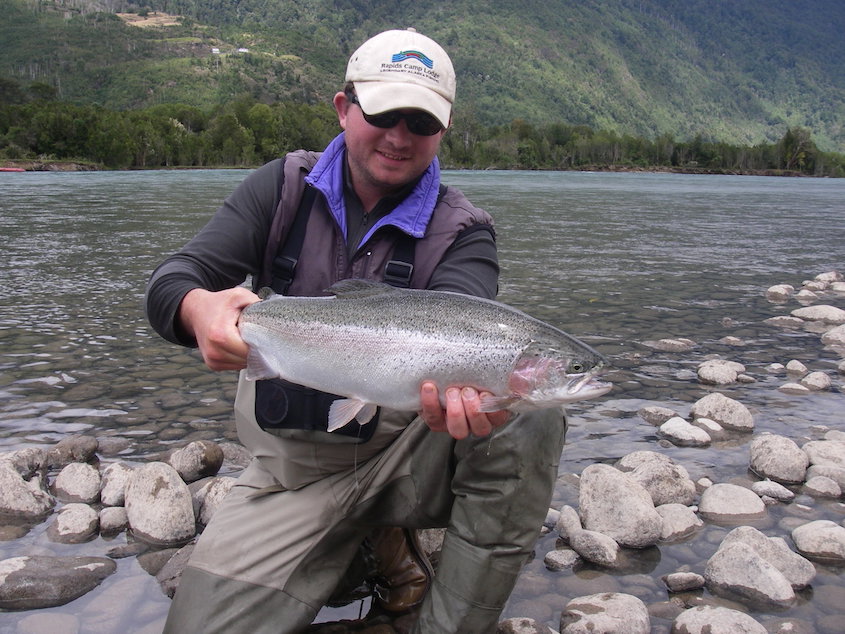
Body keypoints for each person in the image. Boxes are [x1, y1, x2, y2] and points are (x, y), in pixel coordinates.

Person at [145, 28, 566, 633]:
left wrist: (473, 400)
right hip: (288, 478)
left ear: (441, 131)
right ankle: (377, 549)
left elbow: (467, 320)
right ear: (345, 109)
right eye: (383, 112)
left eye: (419, 122)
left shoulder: (464, 232)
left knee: (530, 411)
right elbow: (172, 280)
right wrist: (196, 310)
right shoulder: (282, 188)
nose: (399, 136)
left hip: (403, 458)